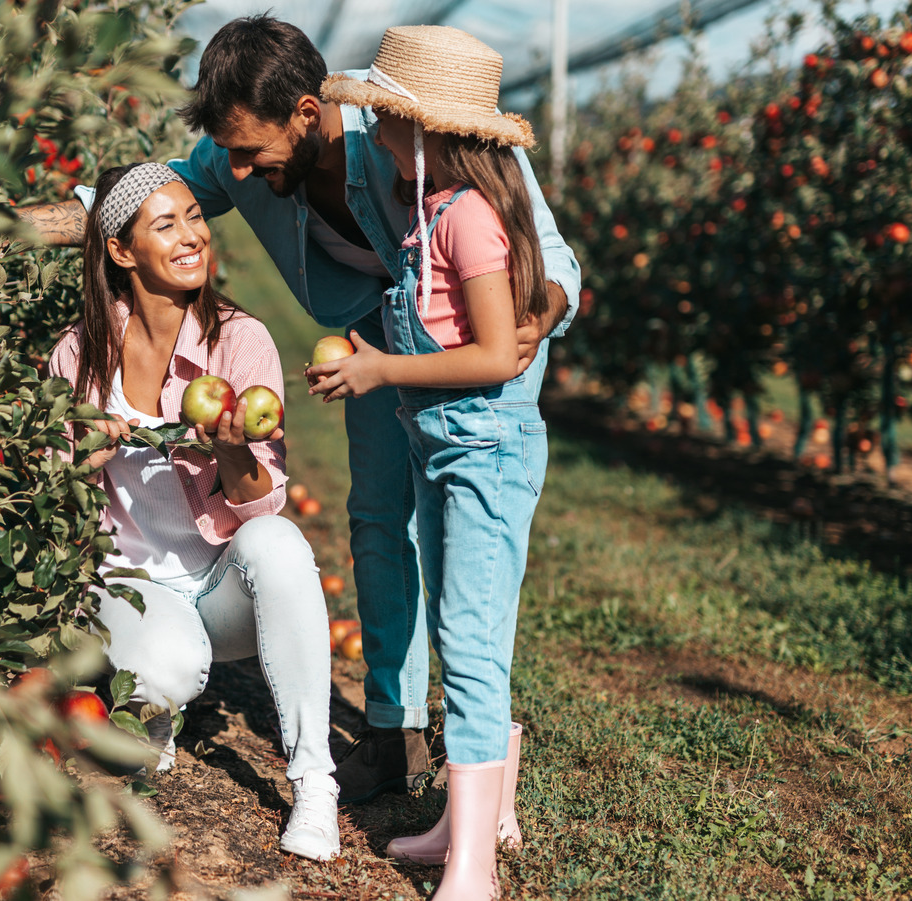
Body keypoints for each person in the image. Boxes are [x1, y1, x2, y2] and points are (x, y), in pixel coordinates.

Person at [0, 15, 581, 805]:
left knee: (465, 562)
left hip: (472, 355)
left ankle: (479, 768)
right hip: (375, 338)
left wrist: (518, 336)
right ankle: (392, 725)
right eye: (226, 154)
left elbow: (554, 263)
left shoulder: (425, 128)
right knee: (378, 519)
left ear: (307, 115)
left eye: (249, 152)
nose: (233, 172)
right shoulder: (232, 161)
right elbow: (133, 200)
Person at [305, 26, 547, 899]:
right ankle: (466, 818)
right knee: (460, 634)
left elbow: (492, 355)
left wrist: (380, 368)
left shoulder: (471, 219)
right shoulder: (432, 209)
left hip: (483, 452)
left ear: (430, 133)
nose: (376, 135)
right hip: (444, 448)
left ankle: (474, 867)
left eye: (388, 122)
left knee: (474, 651)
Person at [47, 162, 339, 861]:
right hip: (132, 580)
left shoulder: (241, 342)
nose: (191, 236)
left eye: (195, 217)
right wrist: (85, 454)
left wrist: (233, 451)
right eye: (166, 223)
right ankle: (159, 708)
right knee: (170, 667)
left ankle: (315, 781)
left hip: (222, 585)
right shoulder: (78, 355)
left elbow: (261, 498)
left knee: (280, 540)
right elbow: (48, 503)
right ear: (122, 251)